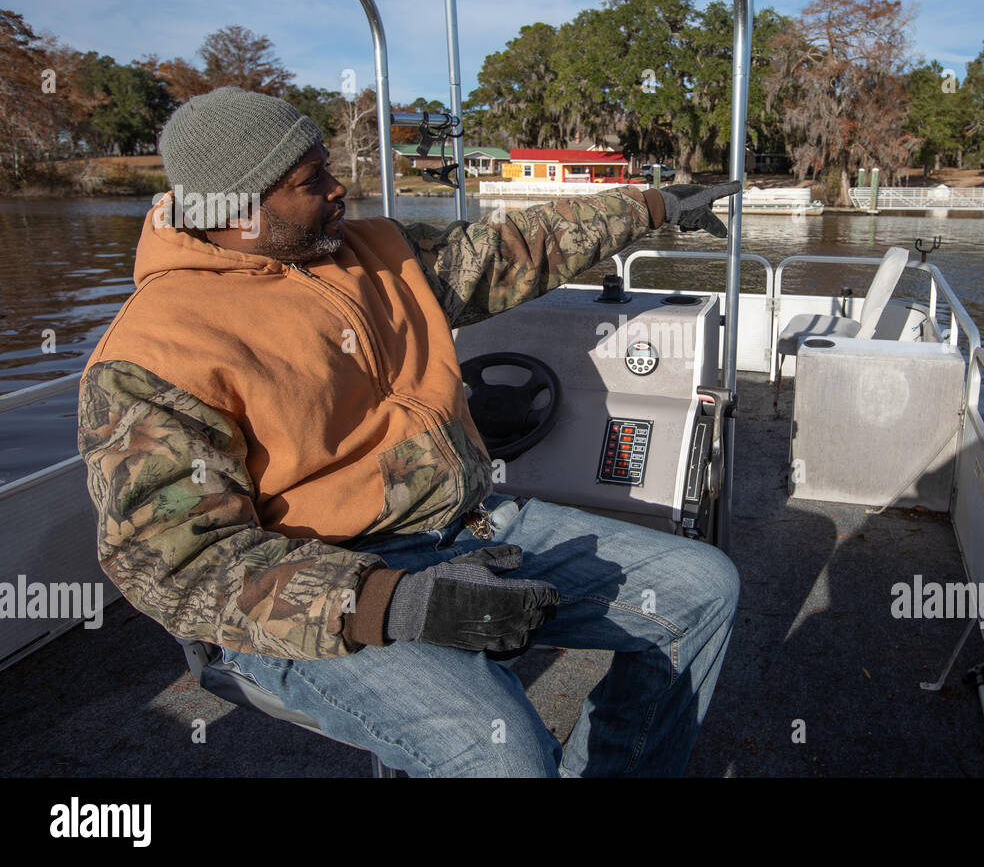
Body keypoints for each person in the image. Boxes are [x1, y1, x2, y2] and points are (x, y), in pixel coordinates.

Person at [76, 86, 742, 777]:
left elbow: (516, 246)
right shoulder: (153, 356)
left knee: (701, 588)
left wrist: (658, 204)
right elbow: (173, 566)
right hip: (305, 598)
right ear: (238, 210)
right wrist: (389, 602)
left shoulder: (372, 252)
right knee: (500, 750)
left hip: (471, 531)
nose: (339, 189)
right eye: (312, 182)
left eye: (326, 167)